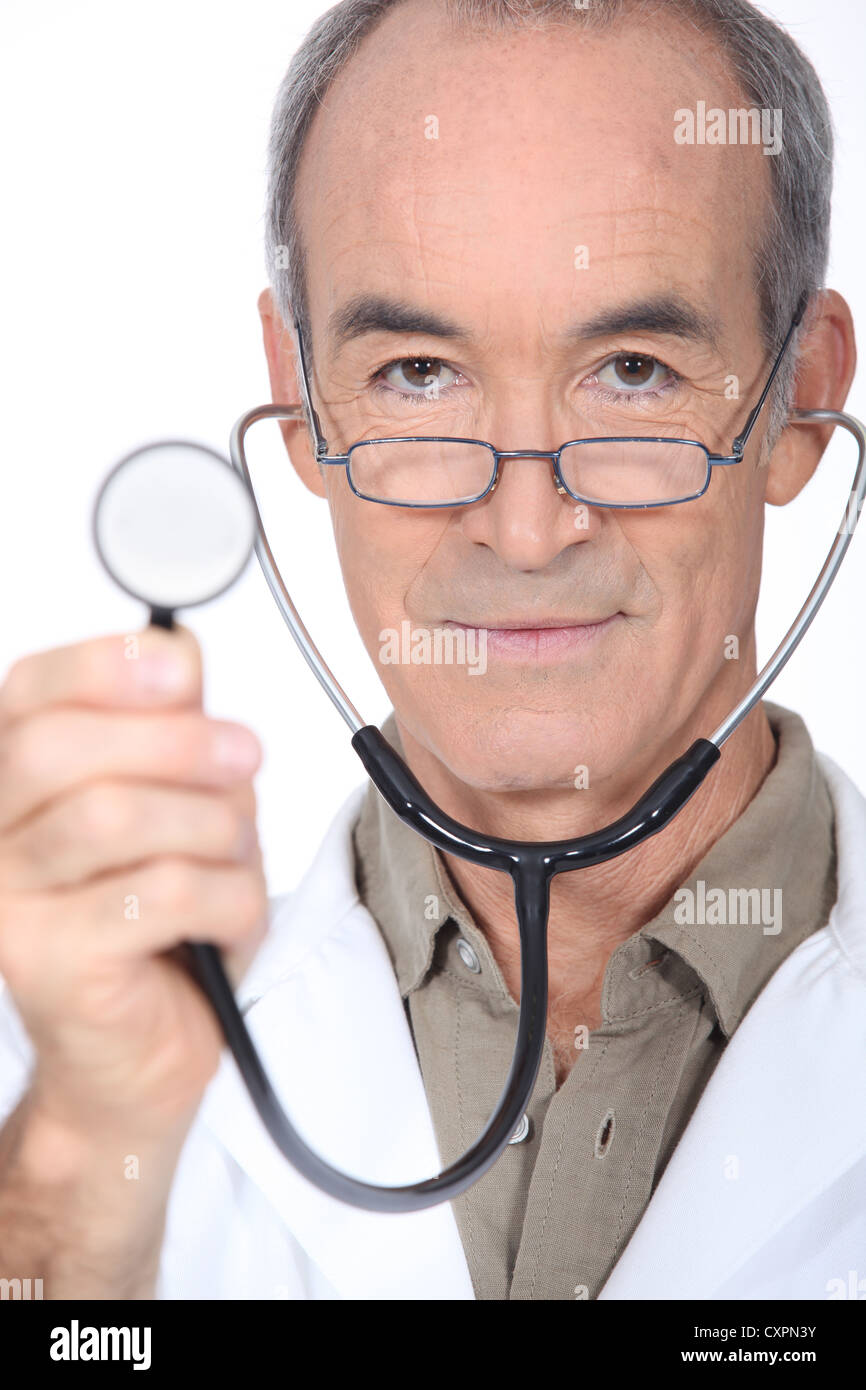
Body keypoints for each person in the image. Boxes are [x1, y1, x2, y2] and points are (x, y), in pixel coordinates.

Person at [0, 0, 864, 1302]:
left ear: (798, 401)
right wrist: (79, 1158)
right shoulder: (51, 1076)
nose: (525, 530)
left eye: (632, 370)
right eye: (416, 374)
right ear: (299, 399)